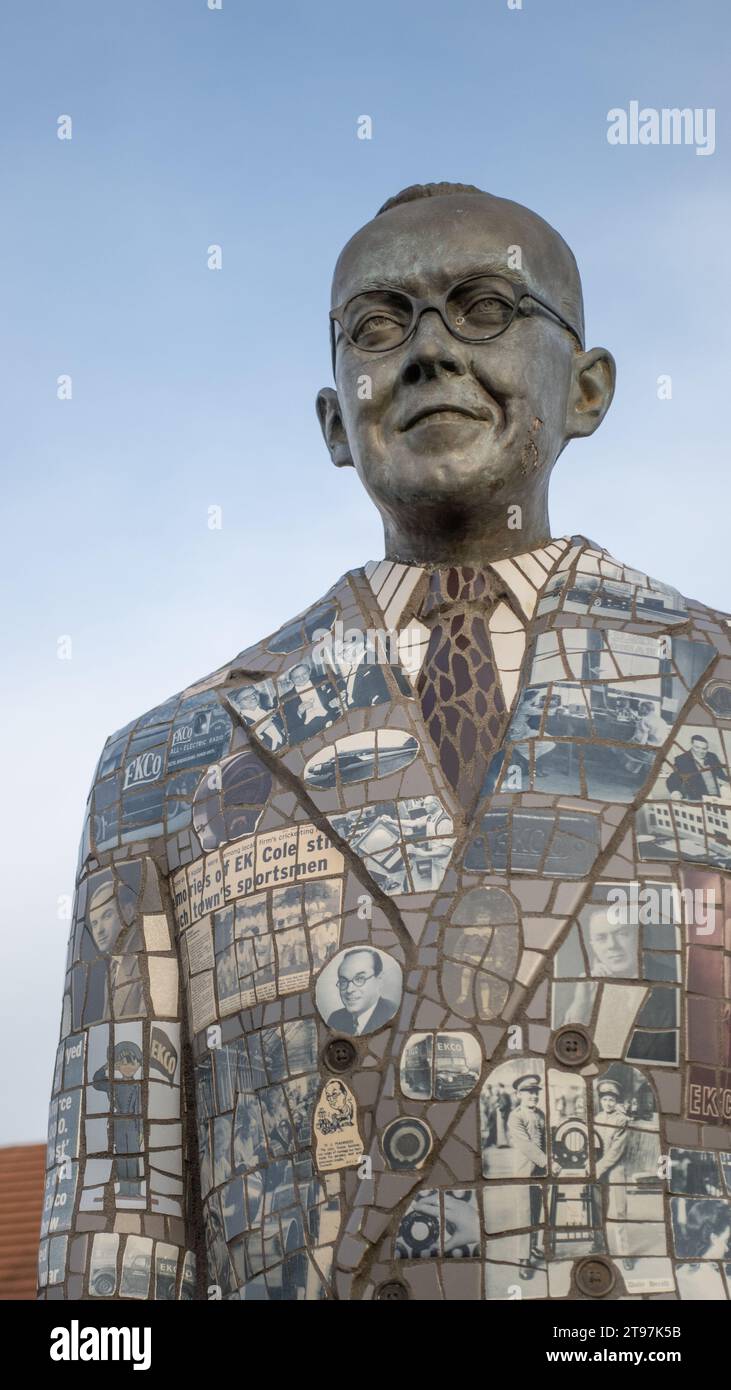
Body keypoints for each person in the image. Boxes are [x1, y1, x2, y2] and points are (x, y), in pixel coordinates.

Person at [42, 180, 731, 1302]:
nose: (425, 352)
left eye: (482, 306)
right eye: (378, 325)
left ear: (589, 388)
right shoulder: (160, 768)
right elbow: (109, 1245)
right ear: (332, 419)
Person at [326, 948, 397, 1036]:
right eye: (343, 981)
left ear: (379, 979)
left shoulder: (393, 1014)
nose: (349, 990)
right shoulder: (335, 1019)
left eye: (359, 979)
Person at [667, 735, 730, 802]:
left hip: (717, 797)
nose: (701, 751)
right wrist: (675, 792)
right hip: (698, 799)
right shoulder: (682, 759)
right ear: (691, 745)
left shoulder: (712, 756)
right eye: (697, 747)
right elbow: (673, 778)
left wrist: (726, 785)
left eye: (704, 749)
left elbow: (721, 776)